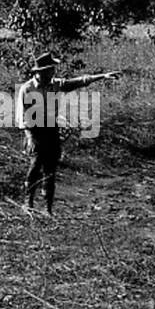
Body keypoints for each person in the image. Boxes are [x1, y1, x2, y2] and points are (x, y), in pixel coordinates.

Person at [15, 52, 119, 216]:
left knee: (50, 170)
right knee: (35, 166)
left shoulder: (55, 84)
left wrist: (102, 76)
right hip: (35, 131)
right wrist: (30, 138)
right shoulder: (27, 89)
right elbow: (23, 117)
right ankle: (28, 203)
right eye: (51, 70)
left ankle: (48, 208)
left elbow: (78, 82)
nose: (53, 73)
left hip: (51, 130)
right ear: (41, 71)